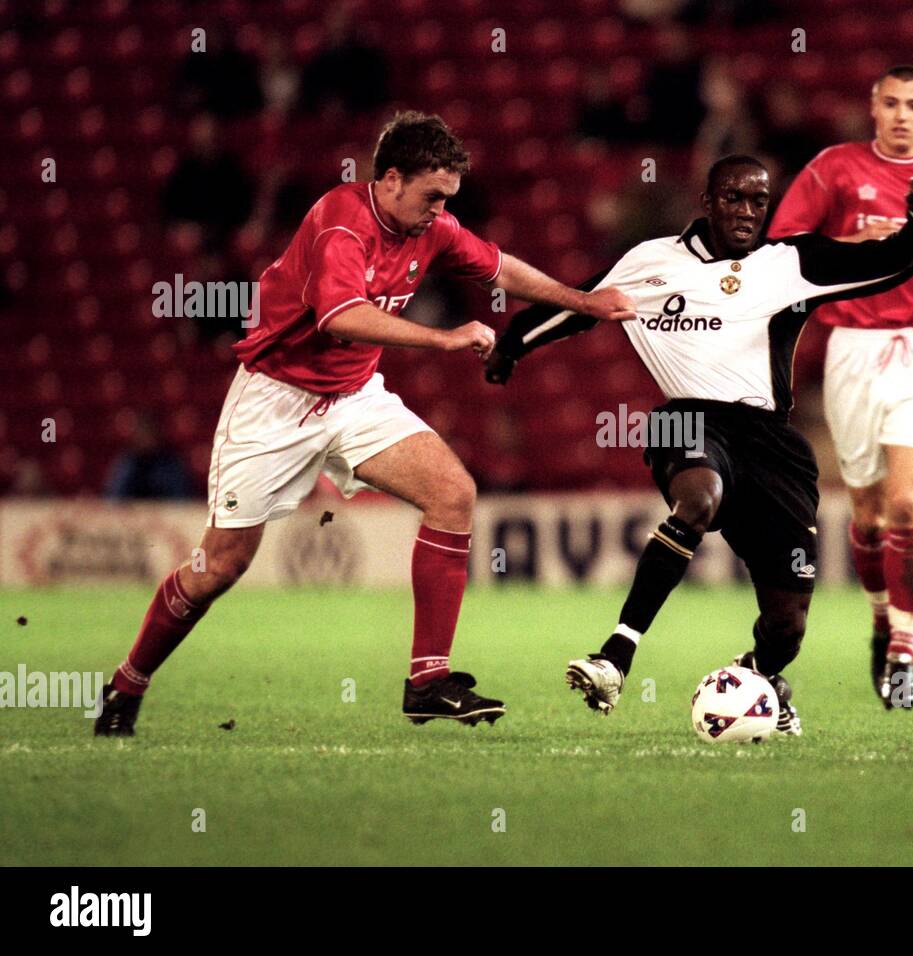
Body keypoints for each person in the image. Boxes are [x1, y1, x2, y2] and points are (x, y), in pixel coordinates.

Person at [94, 111, 635, 737]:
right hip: (276, 403)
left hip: (353, 397)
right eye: (432, 196)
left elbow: (498, 267)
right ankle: (126, 685)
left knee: (453, 493)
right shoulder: (340, 225)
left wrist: (584, 300)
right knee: (219, 567)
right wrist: (444, 338)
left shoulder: (427, 225)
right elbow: (340, 319)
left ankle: (428, 682)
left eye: (448, 199)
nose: (440, 210)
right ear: (391, 179)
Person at [484, 154, 913, 735]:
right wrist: (511, 345)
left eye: (759, 201)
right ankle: (616, 656)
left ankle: (759, 675)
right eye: (734, 198)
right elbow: (579, 308)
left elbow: (890, 261)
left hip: (773, 446)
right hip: (688, 419)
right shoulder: (650, 262)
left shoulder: (791, 263)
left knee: (788, 626)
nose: (748, 212)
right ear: (706, 202)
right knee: (698, 499)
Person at [767, 65, 913, 709]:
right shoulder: (834, 169)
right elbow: (783, 246)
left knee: (905, 505)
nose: (902, 114)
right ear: (873, 109)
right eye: (891, 103)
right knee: (866, 517)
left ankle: (905, 649)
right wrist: (848, 241)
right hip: (852, 350)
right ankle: (881, 617)